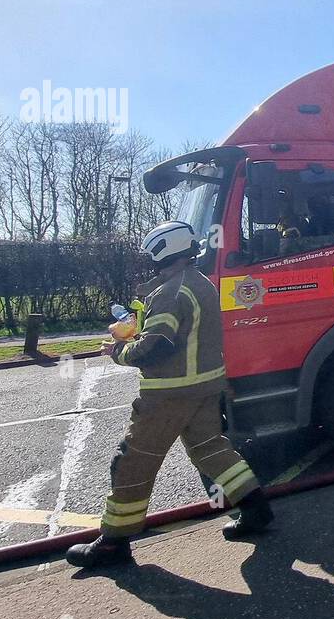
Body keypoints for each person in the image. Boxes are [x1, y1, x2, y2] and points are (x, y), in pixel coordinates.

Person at [66, 221, 273, 569]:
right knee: (212, 450)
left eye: (151, 253)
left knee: (132, 461)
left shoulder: (171, 292)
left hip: (170, 394)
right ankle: (256, 509)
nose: (149, 259)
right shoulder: (201, 284)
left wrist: (118, 350)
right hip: (206, 387)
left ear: (162, 250)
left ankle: (113, 544)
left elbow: (157, 345)